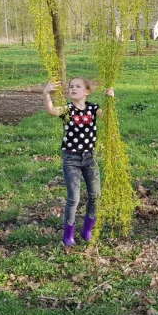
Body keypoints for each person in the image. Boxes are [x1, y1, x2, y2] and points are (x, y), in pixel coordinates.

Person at [43, 77, 114, 246]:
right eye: (71, 86)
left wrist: (110, 99)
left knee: (95, 195)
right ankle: (68, 234)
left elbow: (108, 118)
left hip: (89, 157)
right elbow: (51, 110)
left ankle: (87, 230)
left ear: (86, 92)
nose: (73, 88)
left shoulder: (93, 108)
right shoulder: (67, 109)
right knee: (73, 198)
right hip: (71, 158)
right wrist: (46, 94)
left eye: (78, 86)